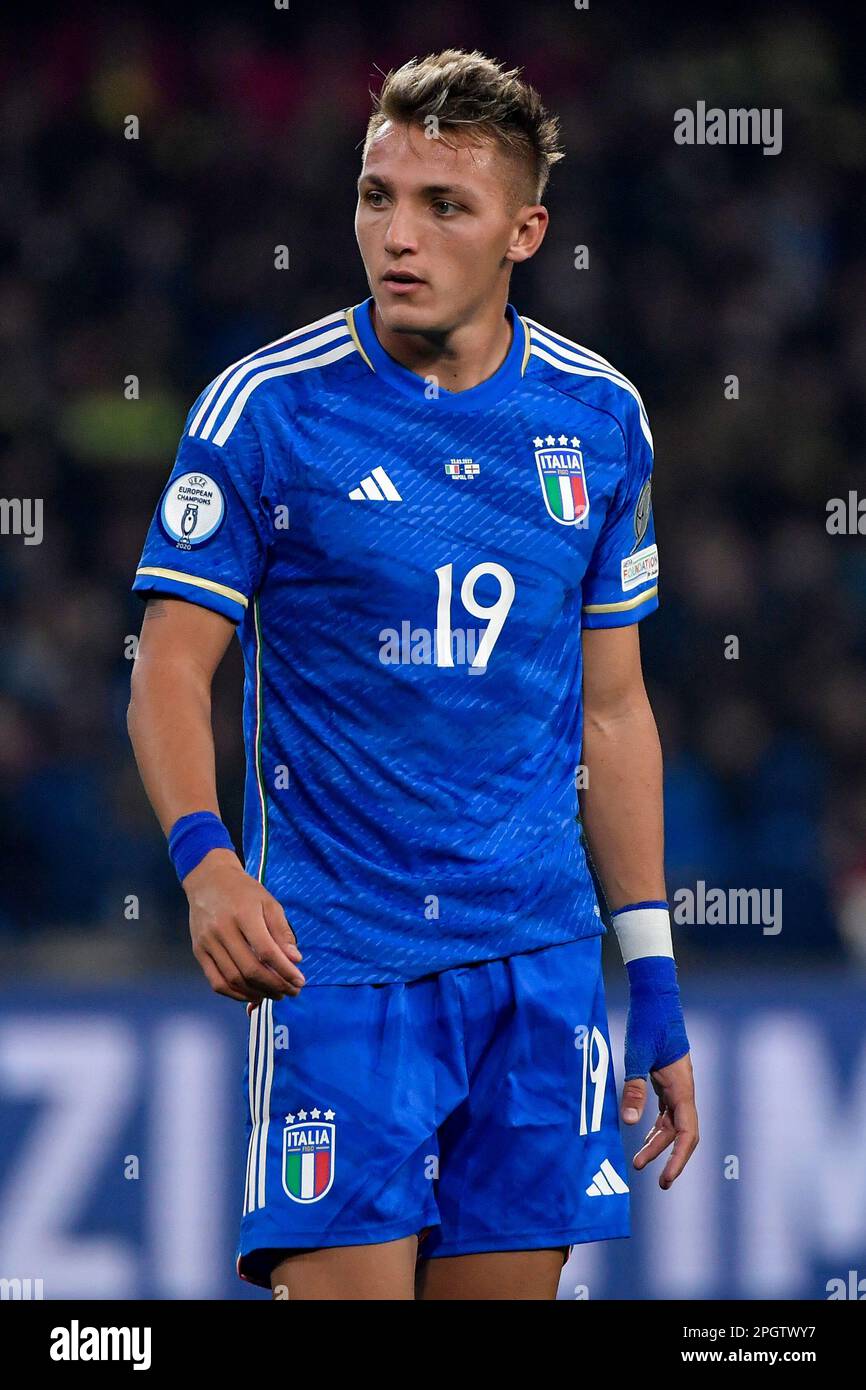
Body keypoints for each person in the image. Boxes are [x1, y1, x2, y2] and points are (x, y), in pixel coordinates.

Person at [127, 47, 698, 1301]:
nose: (398, 233)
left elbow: (612, 713)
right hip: (337, 961)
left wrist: (648, 978)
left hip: (538, 966)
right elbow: (169, 669)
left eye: (444, 206)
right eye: (377, 195)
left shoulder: (599, 420)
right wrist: (204, 857)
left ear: (522, 231)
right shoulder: (265, 411)